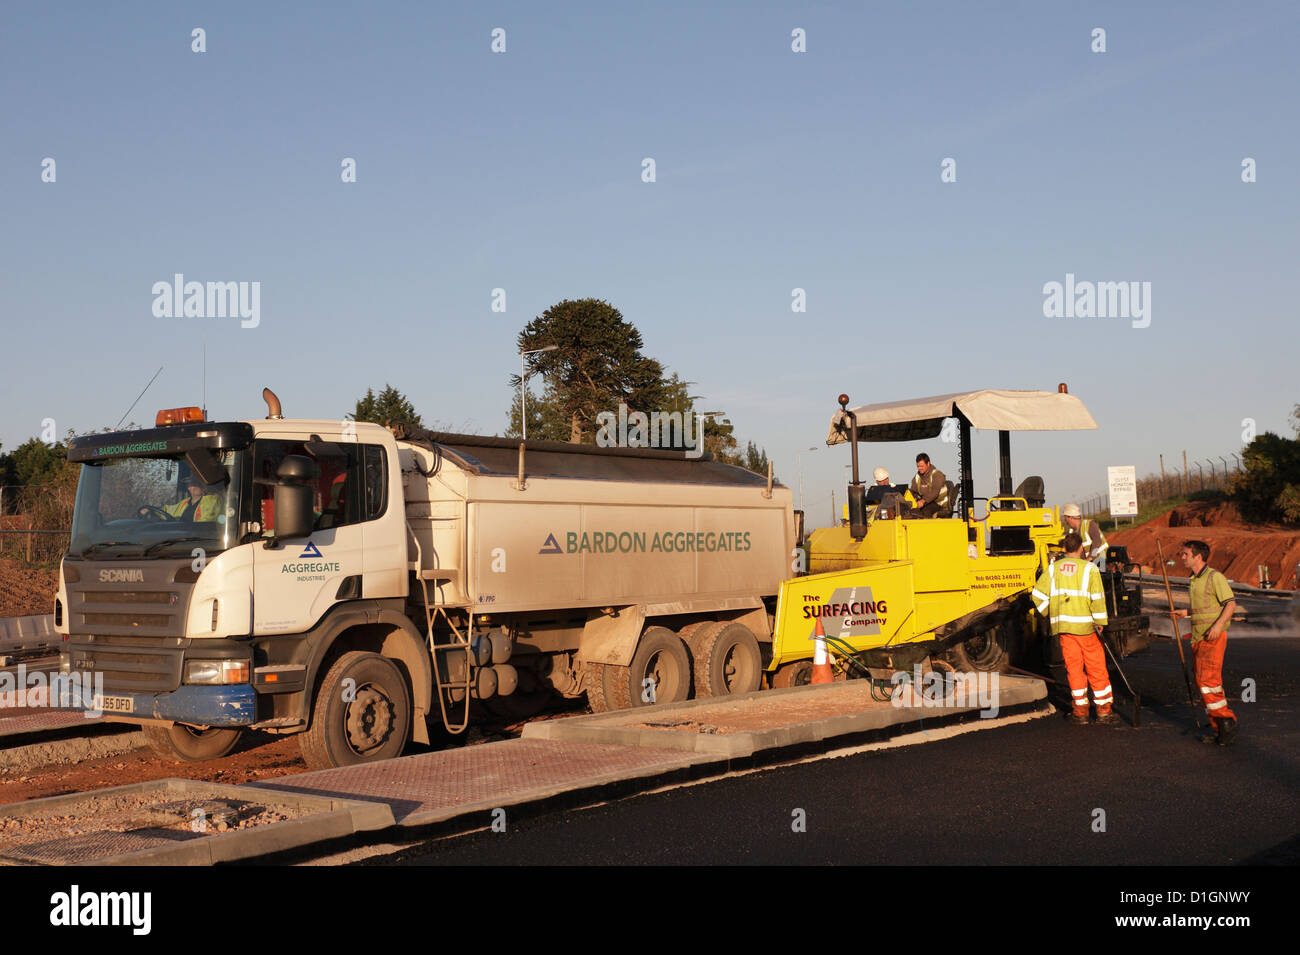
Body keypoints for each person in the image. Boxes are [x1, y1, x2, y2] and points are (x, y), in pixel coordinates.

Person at [1031, 531, 1116, 724]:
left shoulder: (1053, 570)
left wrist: (1051, 613)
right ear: (1081, 548)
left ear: (1063, 549)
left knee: (1074, 669)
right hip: (1087, 628)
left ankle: (1080, 712)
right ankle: (1103, 711)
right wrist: (1100, 622)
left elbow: (1037, 596)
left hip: (1065, 629)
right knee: (1096, 667)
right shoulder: (1090, 569)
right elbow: (1098, 599)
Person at [1170, 540, 1239, 745]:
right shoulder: (1194, 580)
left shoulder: (1214, 577)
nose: (1181, 557)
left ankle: (1226, 722)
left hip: (1212, 638)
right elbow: (1208, 607)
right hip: (1199, 638)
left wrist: (1217, 627)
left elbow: (1230, 604)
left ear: (1197, 557)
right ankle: (1217, 725)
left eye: (1185, 554)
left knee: (1208, 682)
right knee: (1203, 682)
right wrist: (1187, 612)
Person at [141, 477, 220, 522]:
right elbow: (168, 511)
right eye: (191, 484)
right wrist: (152, 511)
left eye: (197, 484)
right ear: (188, 488)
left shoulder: (212, 500)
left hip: (199, 538)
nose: (194, 486)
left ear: (204, 486)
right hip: (182, 536)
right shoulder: (184, 503)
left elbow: (206, 522)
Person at [1062, 503, 1107, 569]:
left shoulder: (1089, 525)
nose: (1065, 521)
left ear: (1070, 517)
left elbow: (1097, 541)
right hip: (1086, 564)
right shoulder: (1071, 532)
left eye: (1065, 518)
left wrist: (1091, 557)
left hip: (1099, 561)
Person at [908, 453, 949, 517]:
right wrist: (913, 499)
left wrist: (923, 501)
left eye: (922, 466)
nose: (920, 468)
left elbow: (935, 492)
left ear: (928, 464)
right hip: (925, 503)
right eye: (918, 466)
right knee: (911, 511)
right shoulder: (917, 477)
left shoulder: (937, 475)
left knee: (925, 511)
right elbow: (913, 491)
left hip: (939, 504)